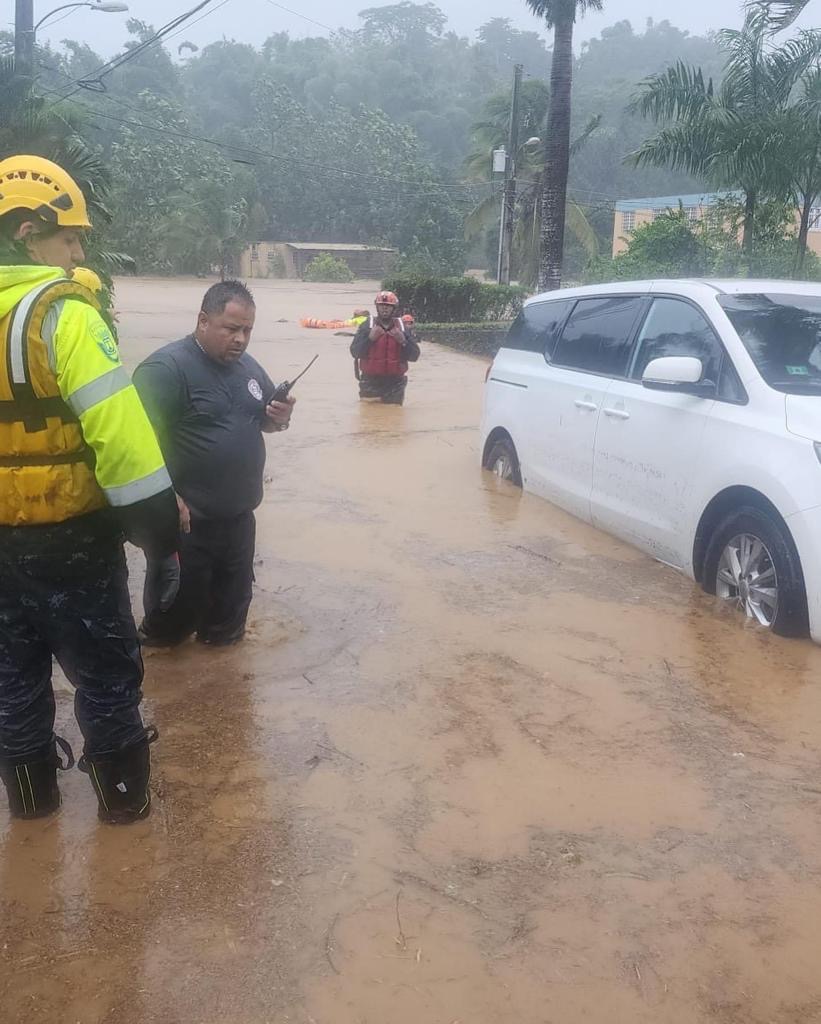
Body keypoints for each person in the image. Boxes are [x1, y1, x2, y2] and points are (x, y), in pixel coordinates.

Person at [0, 155, 181, 824]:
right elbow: (120, 437)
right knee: (105, 676)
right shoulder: (64, 315)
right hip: (72, 540)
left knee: (13, 678)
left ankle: (31, 809)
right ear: (27, 233)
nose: (78, 253)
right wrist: (160, 534)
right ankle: (125, 812)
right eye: (70, 238)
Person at [133, 280, 295, 648]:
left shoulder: (249, 368)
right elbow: (135, 444)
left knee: (227, 635)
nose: (240, 339)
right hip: (186, 527)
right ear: (203, 320)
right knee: (168, 636)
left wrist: (281, 418)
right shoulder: (165, 369)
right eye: (231, 328)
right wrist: (165, 497)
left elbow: (266, 421)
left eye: (247, 330)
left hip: (239, 523)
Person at [350, 291, 420, 405]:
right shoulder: (367, 326)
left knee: (394, 412)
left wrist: (403, 341)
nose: (385, 308)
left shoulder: (402, 328)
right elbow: (354, 352)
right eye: (382, 305)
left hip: (395, 382)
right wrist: (370, 339)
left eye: (388, 306)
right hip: (370, 381)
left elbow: (415, 356)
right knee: (369, 413)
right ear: (377, 307)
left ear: (394, 308)